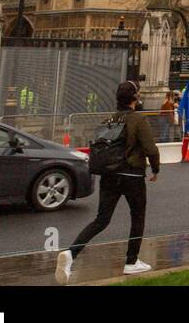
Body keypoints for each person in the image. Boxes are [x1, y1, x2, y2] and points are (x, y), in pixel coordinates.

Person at [57, 81, 159, 282]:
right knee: (137, 216)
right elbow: (150, 148)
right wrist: (155, 169)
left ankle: (71, 253)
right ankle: (131, 262)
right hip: (132, 175)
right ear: (135, 98)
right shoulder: (138, 120)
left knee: (101, 220)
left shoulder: (108, 119)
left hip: (109, 175)